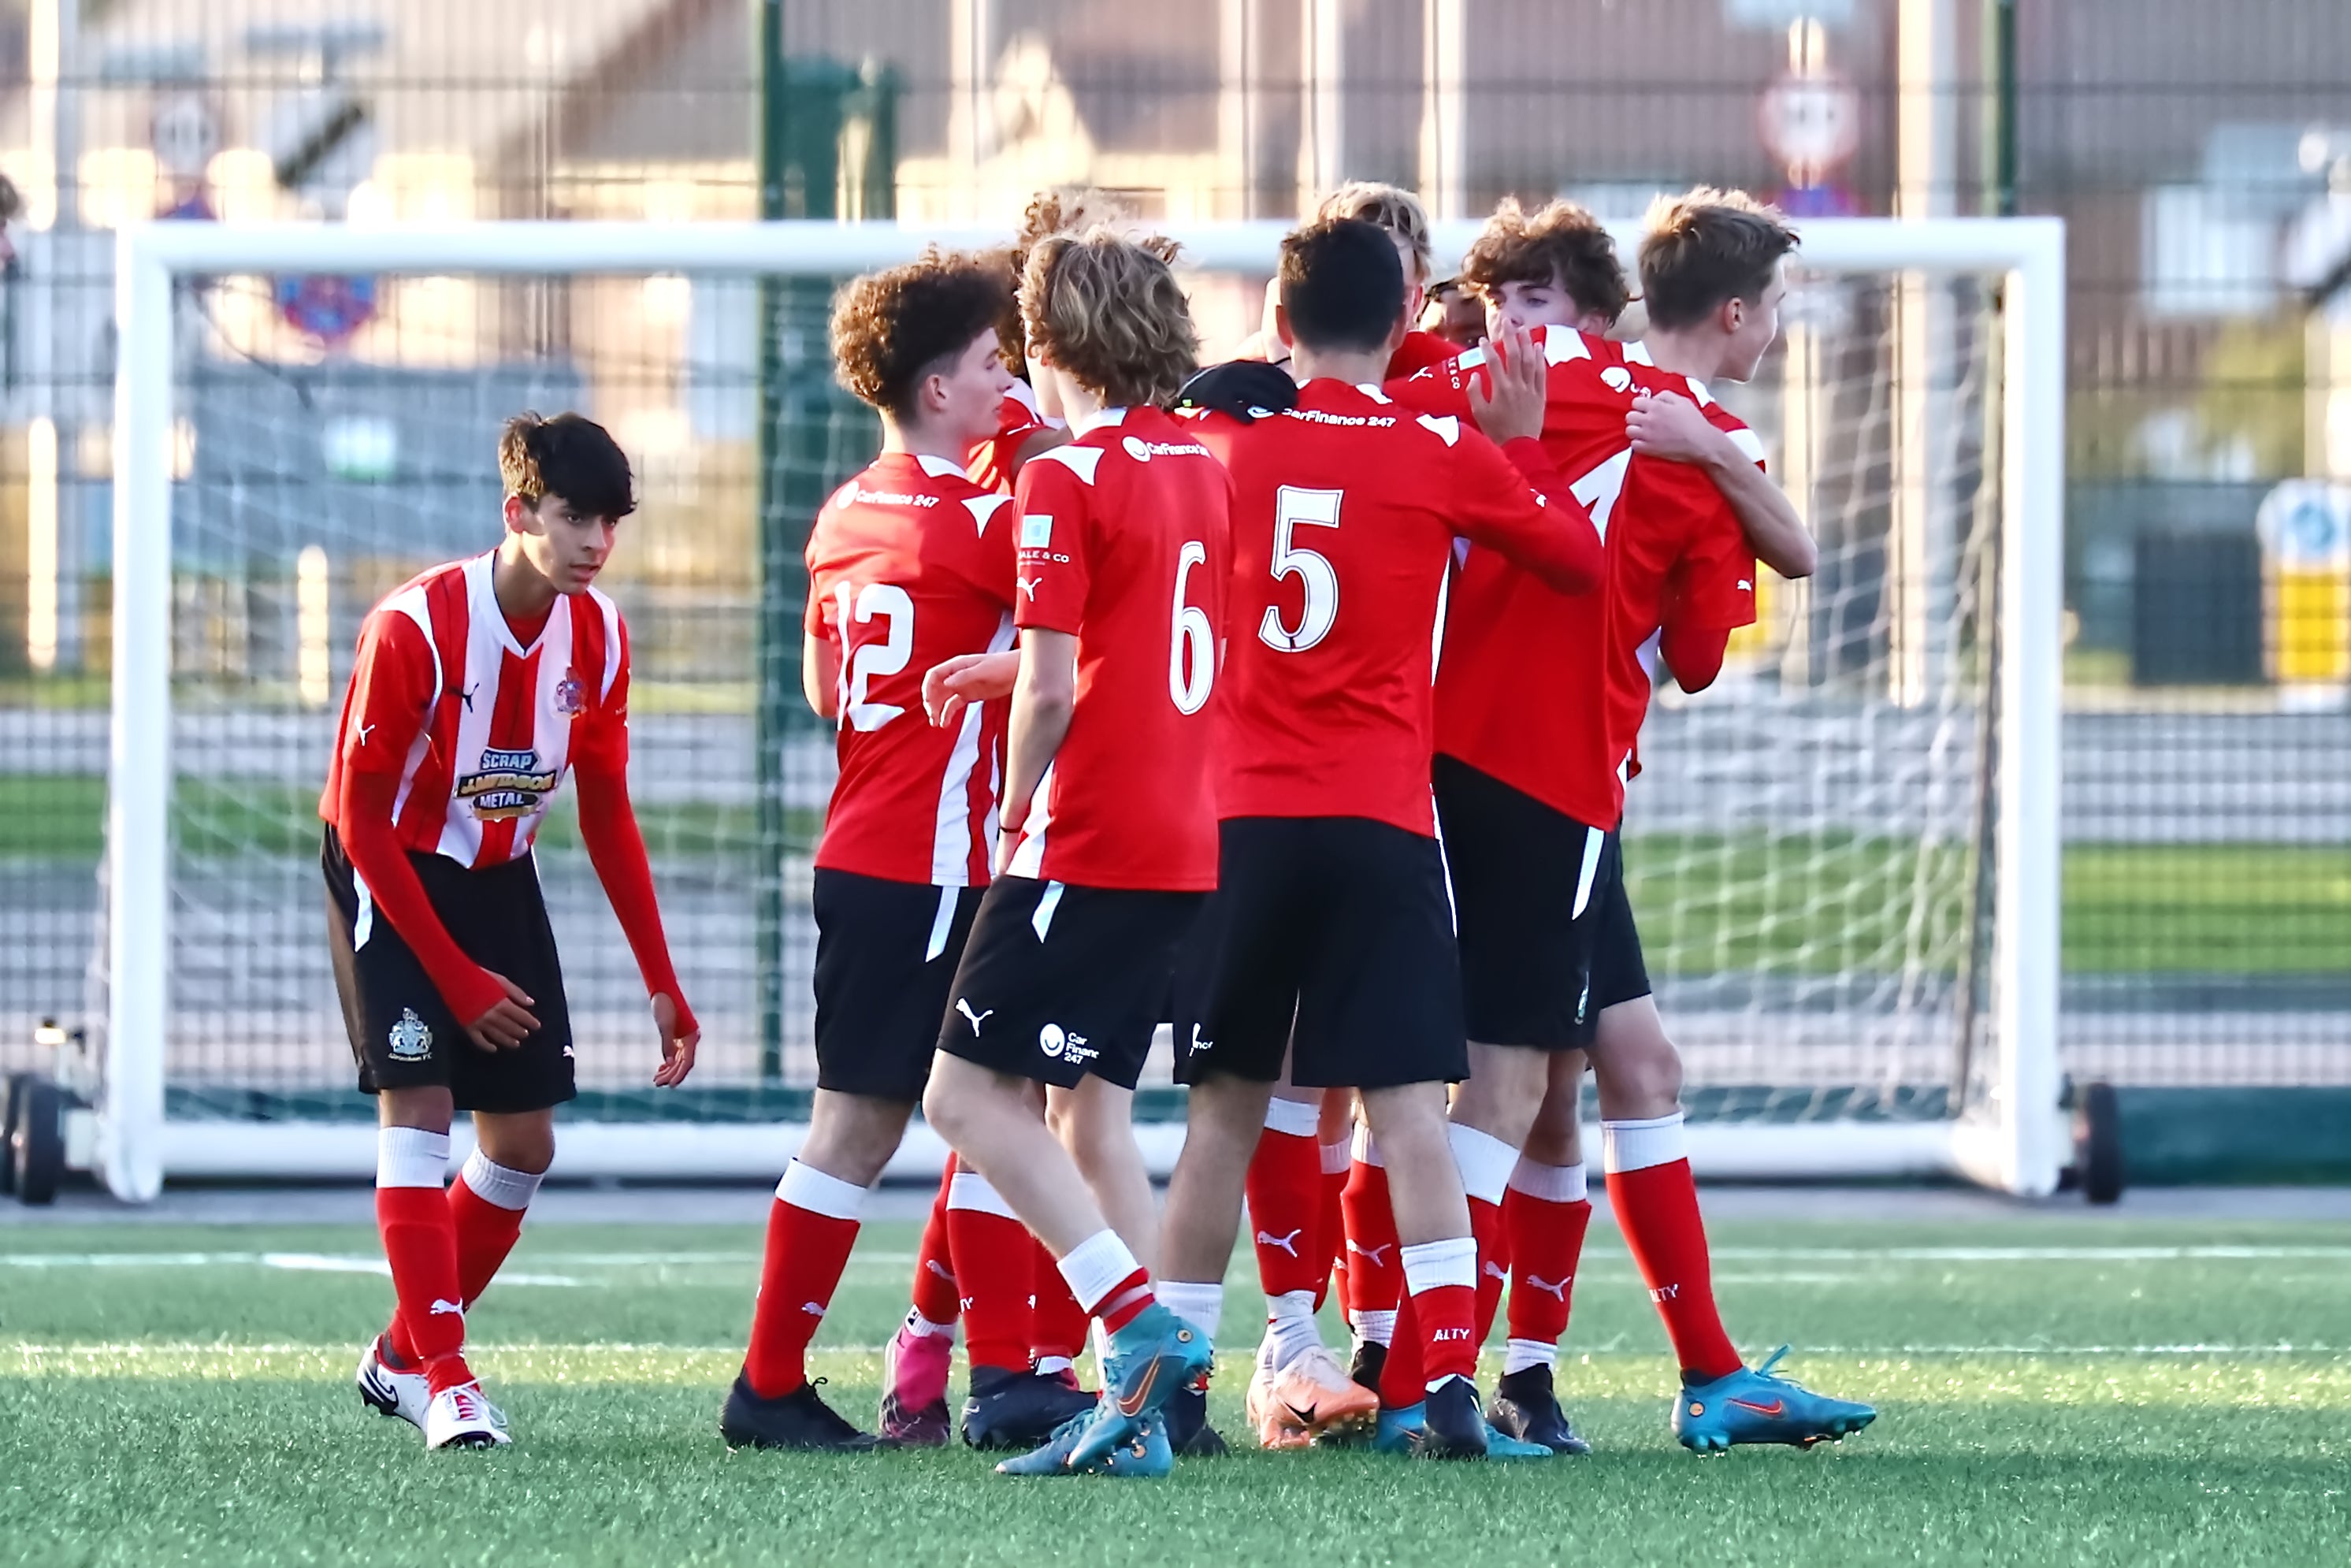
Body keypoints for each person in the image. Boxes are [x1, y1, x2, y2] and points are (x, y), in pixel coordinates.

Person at [1392, 188, 1874, 1454]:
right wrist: (1710, 468)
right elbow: (1704, 655)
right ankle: (1427, 1378)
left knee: (1621, 1067)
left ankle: (1573, 1374)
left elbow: (1390, 418)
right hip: (1547, 772)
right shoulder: (1705, 443)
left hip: (1450, 756)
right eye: (1777, 307)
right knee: (1506, 1082)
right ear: (1738, 314)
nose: (1778, 327)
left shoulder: (1520, 371)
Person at [1154, 216, 1606, 1460]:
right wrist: (1521, 445)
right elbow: (1573, 560)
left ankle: (1174, 1394)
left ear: (1280, 320)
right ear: (1406, 321)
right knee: (1409, 1110)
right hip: (1381, 822)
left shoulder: (1217, 444)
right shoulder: (1437, 445)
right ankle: (1447, 1390)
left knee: (1224, 1113)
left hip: (1244, 820)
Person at [720, 250, 1098, 1453]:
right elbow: (1097, 567)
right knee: (894, 1119)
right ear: (939, 390)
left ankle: (981, 1373)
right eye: (993, 364)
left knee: (971, 1102)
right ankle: (821, 1380)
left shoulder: (843, 509)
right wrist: (1044, 438)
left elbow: (826, 685)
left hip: (869, 846)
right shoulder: (987, 520)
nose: (1008, 382)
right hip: (935, 864)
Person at [918, 227, 1231, 1479]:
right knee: (1089, 1112)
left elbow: (1055, 690)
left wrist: (1012, 811)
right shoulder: (1201, 465)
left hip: (1089, 833)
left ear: (1051, 344)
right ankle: (1145, 1408)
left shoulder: (1063, 476)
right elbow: (1133, 644)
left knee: (958, 1097)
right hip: (1185, 833)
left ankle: (1135, 1326)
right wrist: (1010, 667)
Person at [331, 413, 698, 1450]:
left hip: (500, 874)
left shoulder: (602, 635)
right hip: (394, 869)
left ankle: (399, 1355)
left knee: (523, 1146)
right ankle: (448, 1380)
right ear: (519, 512)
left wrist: (661, 978)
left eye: (611, 523)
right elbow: (360, 818)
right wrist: (451, 976)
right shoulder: (415, 628)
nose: (597, 542)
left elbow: (609, 811)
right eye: (576, 518)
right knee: (420, 1109)